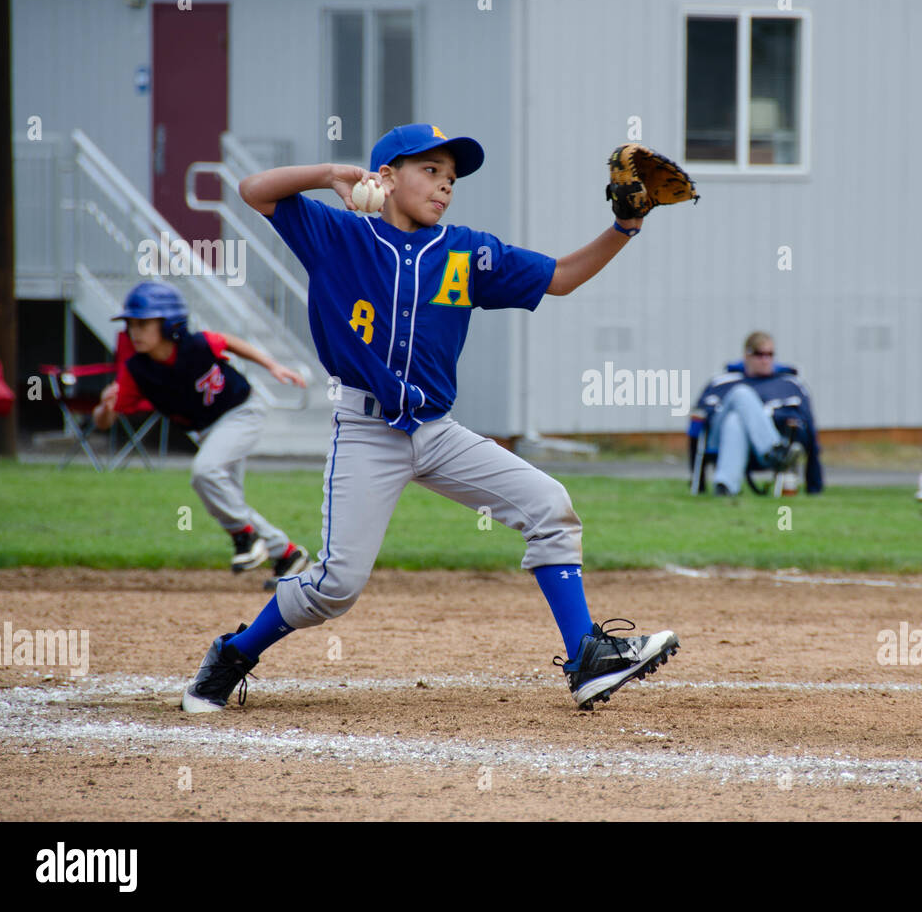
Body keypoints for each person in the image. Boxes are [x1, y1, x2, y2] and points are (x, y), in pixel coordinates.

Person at [181, 123, 679, 714]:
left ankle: (586, 657)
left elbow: (563, 278)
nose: (445, 187)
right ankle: (235, 653)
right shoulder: (338, 235)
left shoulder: (467, 250)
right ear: (385, 177)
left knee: (549, 505)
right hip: (367, 431)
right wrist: (332, 175)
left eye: (452, 178)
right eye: (431, 171)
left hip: (438, 432)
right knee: (335, 589)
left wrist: (626, 225)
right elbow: (253, 188)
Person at [93, 281, 312, 585]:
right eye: (131, 324)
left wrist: (273, 366)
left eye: (143, 323)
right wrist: (104, 408)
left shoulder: (195, 345)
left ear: (170, 323)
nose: (135, 332)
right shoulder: (136, 370)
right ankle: (287, 554)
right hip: (208, 430)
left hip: (242, 412)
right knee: (224, 496)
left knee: (205, 473)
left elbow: (231, 342)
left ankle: (245, 537)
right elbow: (106, 421)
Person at [688, 331, 823, 496]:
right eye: (759, 354)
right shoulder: (723, 381)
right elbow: (700, 418)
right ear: (746, 355)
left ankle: (726, 486)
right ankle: (774, 452)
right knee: (740, 394)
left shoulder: (789, 384)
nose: (765, 360)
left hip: (769, 442)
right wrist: (698, 479)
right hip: (719, 442)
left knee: (735, 420)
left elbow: (808, 426)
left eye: (770, 354)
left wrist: (814, 482)